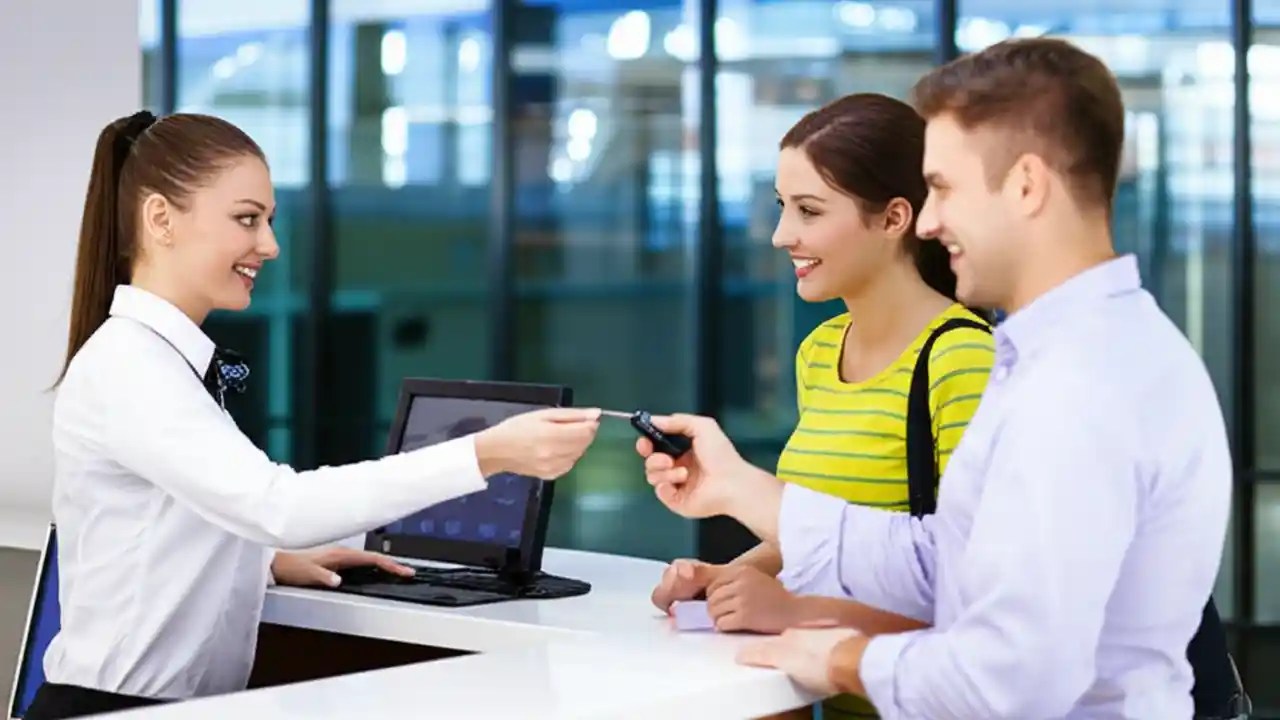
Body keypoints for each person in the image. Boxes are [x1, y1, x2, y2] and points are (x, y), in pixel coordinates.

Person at [636, 37, 1230, 719]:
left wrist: (833, 653)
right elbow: (941, 562)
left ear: (1027, 185)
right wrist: (739, 490)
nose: (930, 219)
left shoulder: (1076, 388)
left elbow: (1007, 675)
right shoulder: (1062, 356)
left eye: (943, 188)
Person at [25, 111, 601, 720]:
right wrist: (488, 452)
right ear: (161, 219)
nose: (270, 245)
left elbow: (167, 522)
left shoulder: (158, 360)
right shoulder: (130, 366)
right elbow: (279, 506)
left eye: (269, 221)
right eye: (247, 219)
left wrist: (260, 562)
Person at [647, 94, 995, 717]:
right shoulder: (820, 351)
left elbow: (972, 594)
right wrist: (727, 578)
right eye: (783, 206)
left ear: (894, 219)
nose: (782, 235)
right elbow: (818, 537)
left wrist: (795, 613)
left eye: (808, 210)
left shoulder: (962, 359)